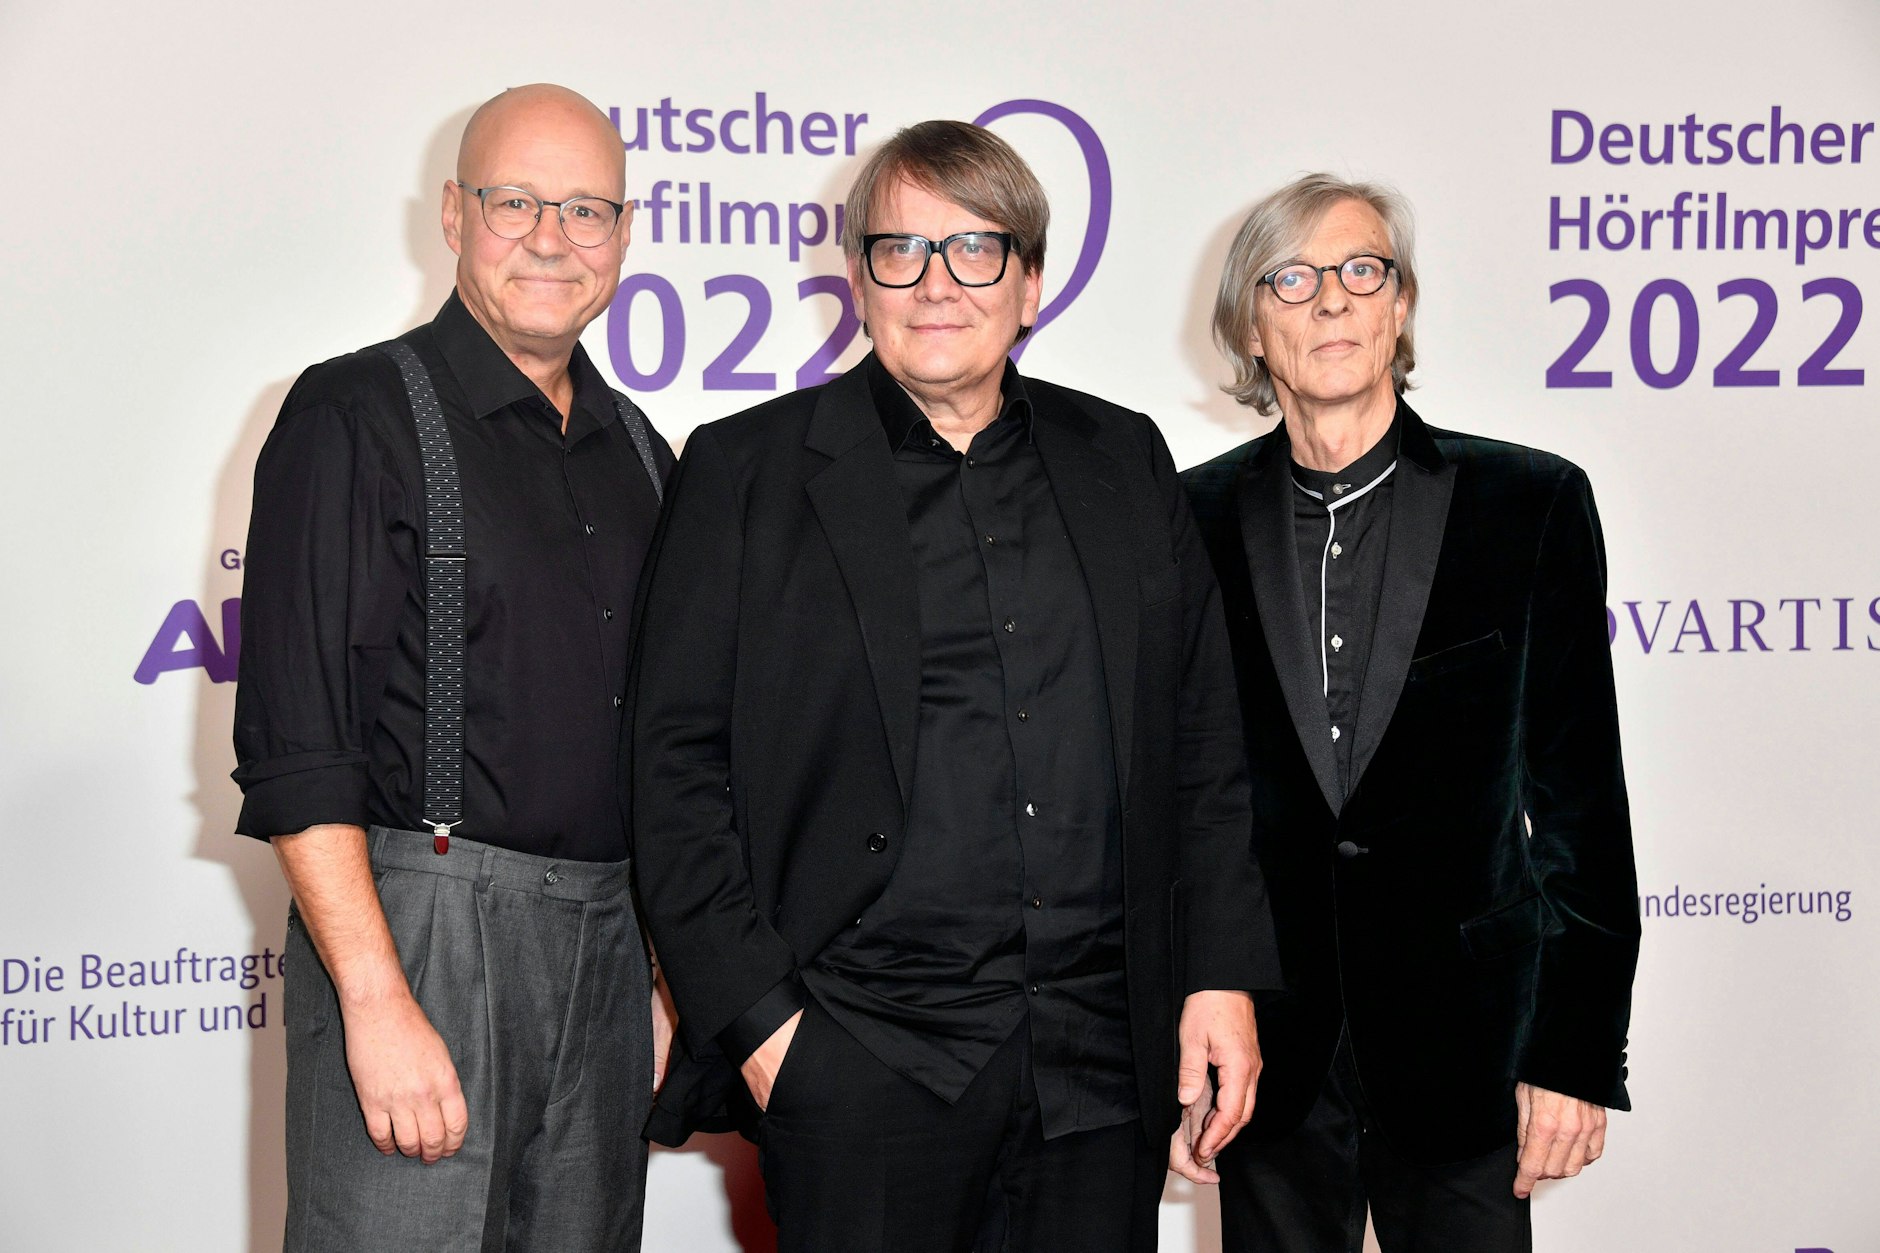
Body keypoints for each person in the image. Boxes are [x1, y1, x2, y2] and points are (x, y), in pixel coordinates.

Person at [629, 120, 1280, 1252]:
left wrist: (1219, 976)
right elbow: (671, 769)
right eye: (901, 250)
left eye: (975, 249)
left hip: (1097, 1066)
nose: (937, 284)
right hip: (860, 1061)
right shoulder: (744, 471)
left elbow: (1202, 746)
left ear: (1031, 283)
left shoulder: (1123, 460)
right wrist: (765, 1030)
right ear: (858, 280)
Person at [232, 83, 674, 1251]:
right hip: (418, 939)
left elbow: (669, 751)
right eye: (515, 201)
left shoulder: (643, 453)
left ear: (624, 233)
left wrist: (661, 978)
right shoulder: (353, 412)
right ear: (452, 213)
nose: (551, 239)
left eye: (585, 210)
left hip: (608, 947)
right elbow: (298, 747)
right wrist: (375, 1000)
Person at [1181, 173, 1641, 1252]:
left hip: (1470, 1048)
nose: (1331, 299)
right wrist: (1181, 1024)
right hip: (1265, 1054)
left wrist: (1573, 1051)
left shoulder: (1528, 504)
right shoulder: (1187, 520)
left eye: (1361, 270)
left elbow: (1580, 806)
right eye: (1292, 279)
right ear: (1250, 326)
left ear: (1399, 305)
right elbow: (1175, 800)